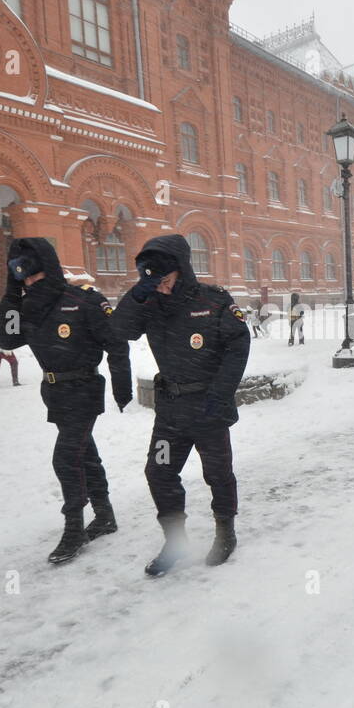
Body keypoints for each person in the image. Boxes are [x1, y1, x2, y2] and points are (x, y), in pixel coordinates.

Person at [110, 234, 251, 577]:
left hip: (208, 410)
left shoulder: (214, 301)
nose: (161, 289)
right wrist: (136, 293)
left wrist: (220, 396)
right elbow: (119, 329)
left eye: (166, 281)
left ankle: (225, 532)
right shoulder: (150, 304)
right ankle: (174, 541)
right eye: (153, 282)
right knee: (159, 472)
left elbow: (238, 347)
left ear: (181, 271)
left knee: (217, 474)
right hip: (171, 413)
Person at [0, 237, 132, 565]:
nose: (30, 284)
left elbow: (117, 343)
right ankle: (105, 515)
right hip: (55, 392)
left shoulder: (83, 301)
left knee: (66, 458)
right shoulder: (28, 307)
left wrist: (121, 389)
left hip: (83, 388)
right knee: (85, 455)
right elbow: (3, 337)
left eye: (35, 277)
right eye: (23, 279)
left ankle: (74, 528)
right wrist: (12, 294)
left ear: (50, 270)